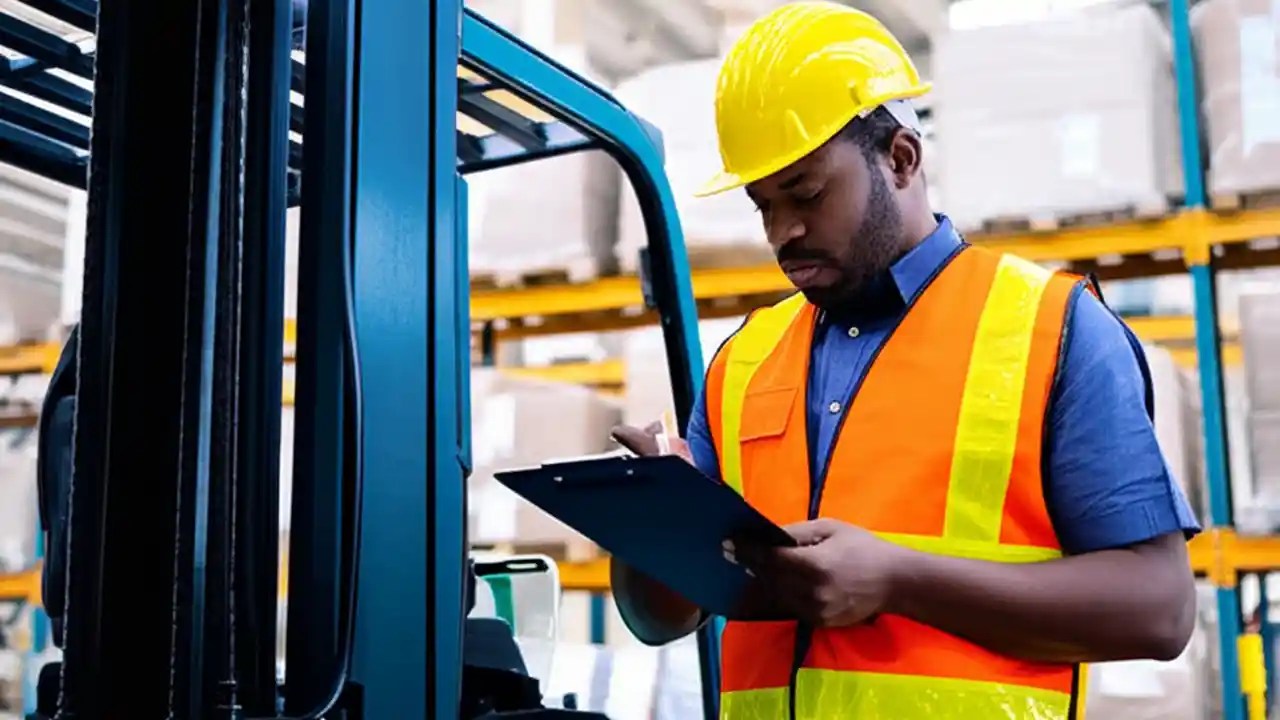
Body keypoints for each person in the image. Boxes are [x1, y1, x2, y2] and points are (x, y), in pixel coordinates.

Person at [609, 3, 1201, 719]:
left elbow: (1160, 611)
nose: (782, 232)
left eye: (806, 193)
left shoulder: (1051, 329)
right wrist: (652, 519)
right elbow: (663, 620)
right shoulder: (745, 360)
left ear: (900, 159)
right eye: (761, 204)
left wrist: (899, 580)